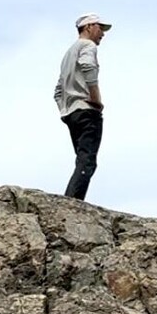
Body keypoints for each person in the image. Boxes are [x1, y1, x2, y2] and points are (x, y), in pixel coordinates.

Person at [54, 13, 112, 200]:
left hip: (72, 112)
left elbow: (58, 89)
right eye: (99, 28)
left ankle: (71, 200)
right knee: (87, 162)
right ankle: (72, 202)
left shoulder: (68, 54)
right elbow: (88, 67)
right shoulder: (87, 46)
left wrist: (65, 109)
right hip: (86, 110)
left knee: (82, 160)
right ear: (88, 27)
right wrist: (96, 98)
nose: (102, 33)